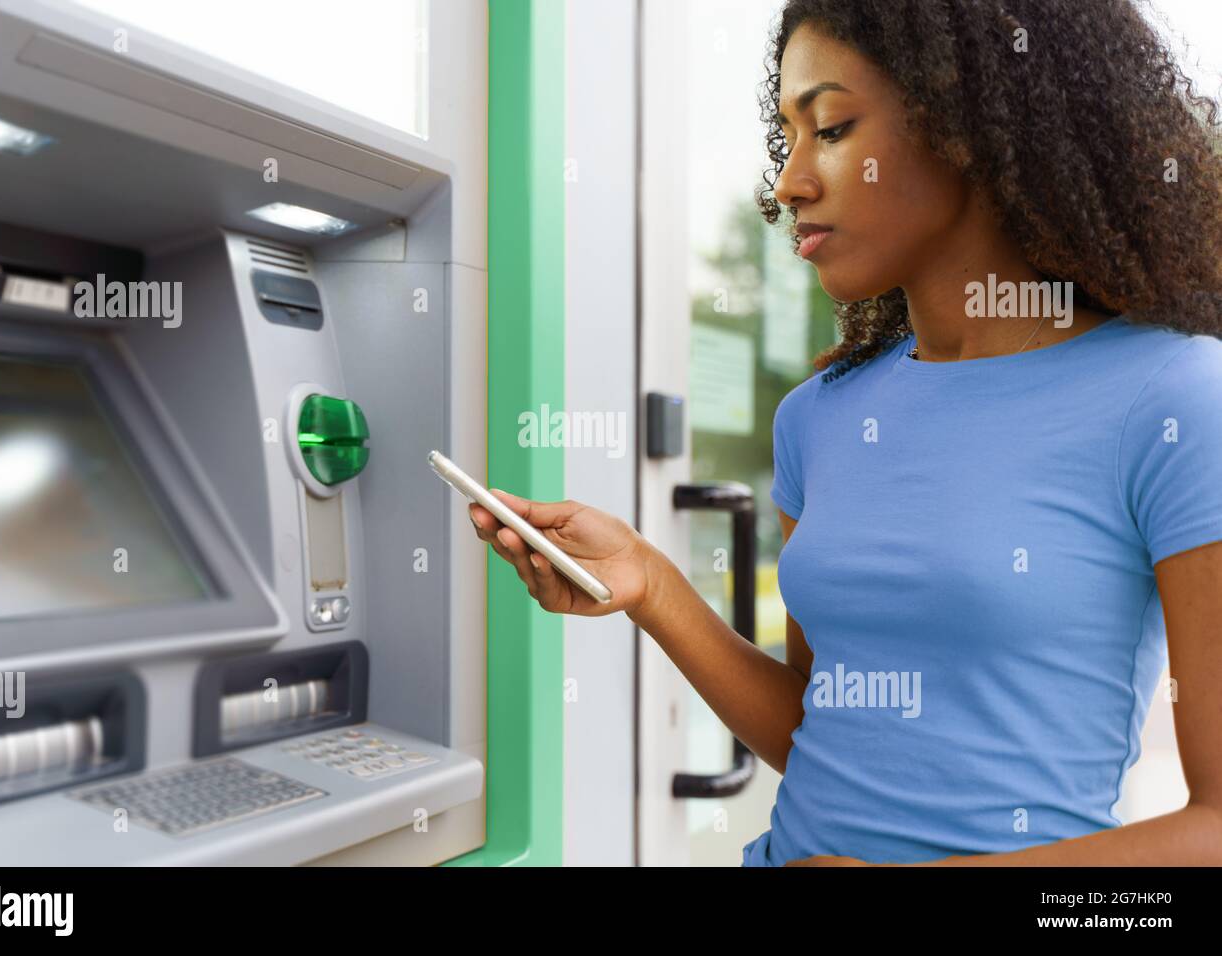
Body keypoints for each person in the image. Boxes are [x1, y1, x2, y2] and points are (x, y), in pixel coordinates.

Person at [470, 0, 1222, 866]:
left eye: (830, 127)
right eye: (787, 137)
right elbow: (818, 727)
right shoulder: (822, 415)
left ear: (965, 126)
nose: (788, 182)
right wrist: (650, 582)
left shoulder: (1171, 398)